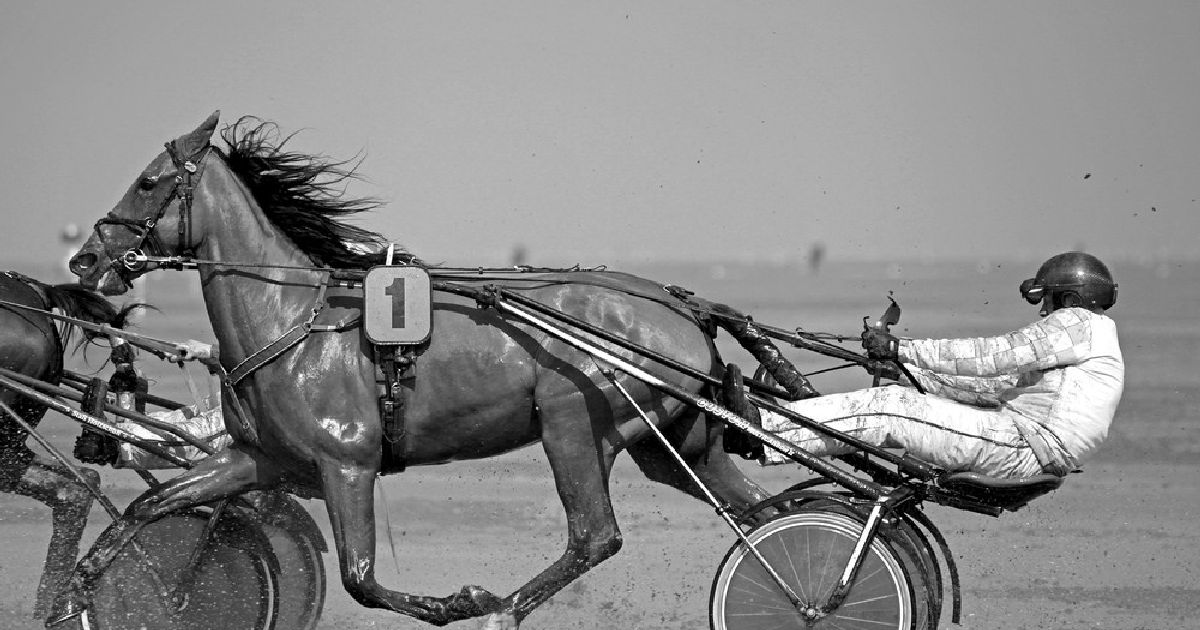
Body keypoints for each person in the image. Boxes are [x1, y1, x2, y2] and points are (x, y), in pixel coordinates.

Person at [761, 252, 1124, 478]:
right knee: (896, 397)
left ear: (1070, 299)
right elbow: (993, 388)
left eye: (1048, 301)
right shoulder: (1089, 340)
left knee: (890, 407)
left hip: (1021, 447)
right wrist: (906, 373)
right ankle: (773, 430)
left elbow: (993, 357)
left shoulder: (1078, 323)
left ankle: (762, 431)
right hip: (1024, 444)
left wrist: (902, 349)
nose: (1043, 311)